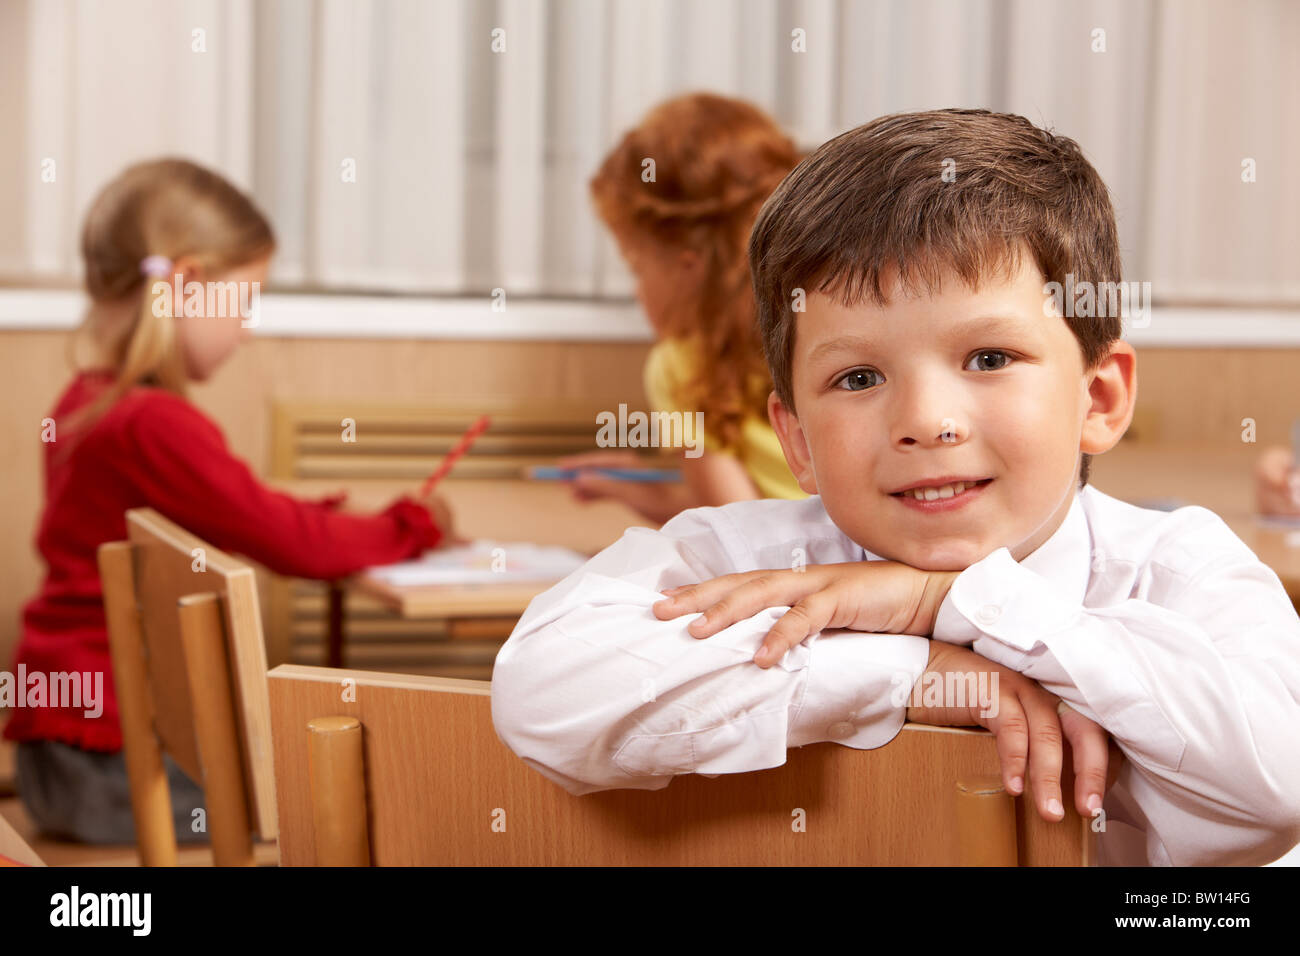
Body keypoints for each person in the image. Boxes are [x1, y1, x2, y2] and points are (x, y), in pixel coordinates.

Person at [492, 110, 1300, 866]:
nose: (925, 422)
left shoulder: (1182, 570)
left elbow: (1277, 791)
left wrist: (941, 602)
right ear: (798, 440)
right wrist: (914, 672)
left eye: (989, 358)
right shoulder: (746, 557)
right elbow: (543, 694)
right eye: (859, 375)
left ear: (1100, 398)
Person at [5, 157, 459, 844]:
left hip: (65, 753)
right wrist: (411, 525)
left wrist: (305, 513)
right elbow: (293, 547)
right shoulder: (155, 422)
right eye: (245, 302)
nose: (246, 329)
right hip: (112, 769)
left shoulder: (88, 405)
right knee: (367, 798)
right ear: (187, 284)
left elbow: (240, 509)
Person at [558, 93, 807, 525]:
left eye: (636, 267)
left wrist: (658, 497)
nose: (637, 290)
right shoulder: (831, 315)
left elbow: (740, 534)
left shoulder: (684, 368)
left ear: (688, 266)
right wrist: (652, 492)